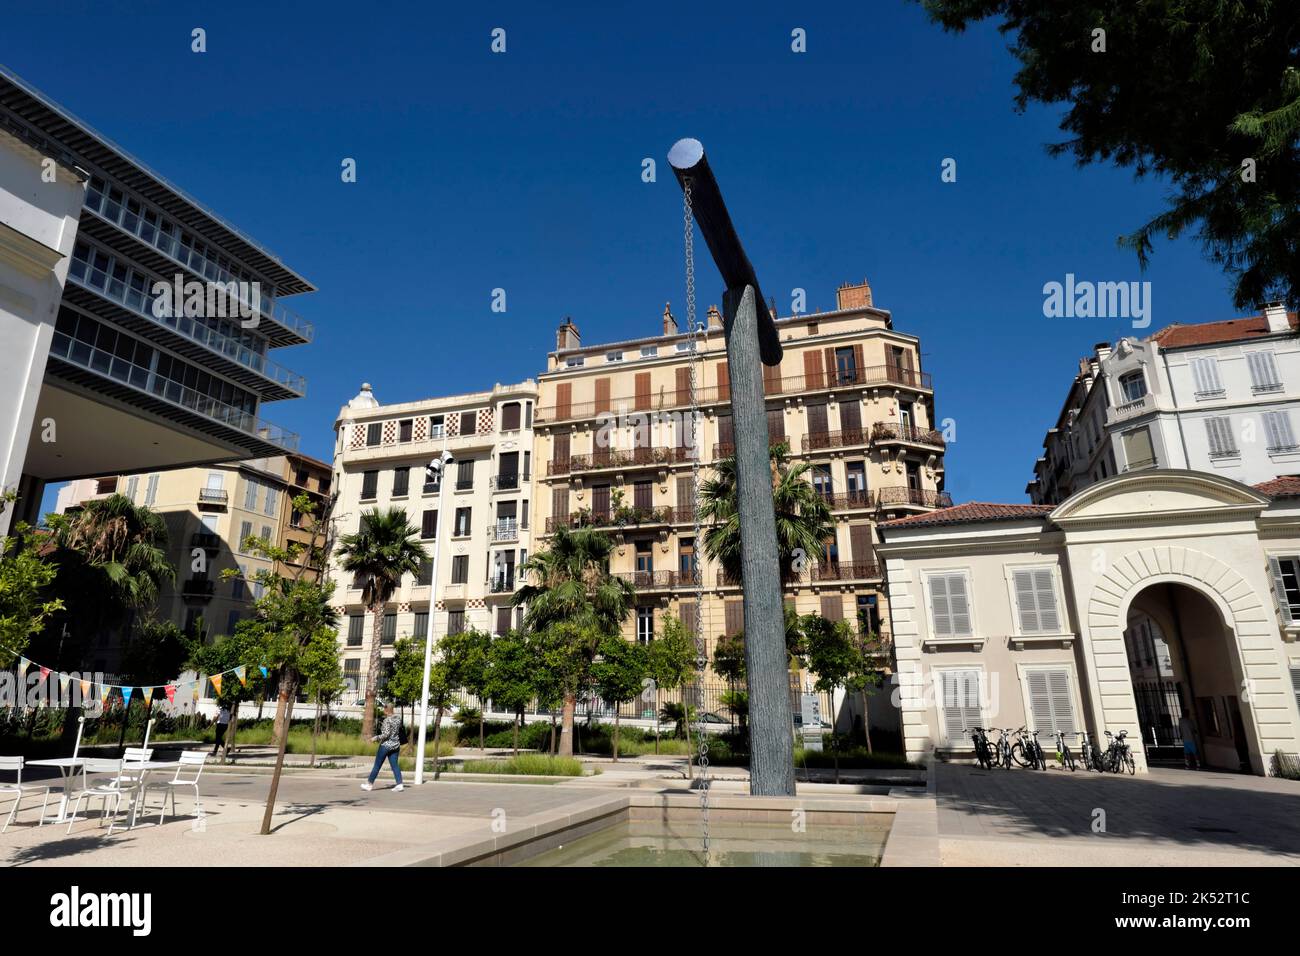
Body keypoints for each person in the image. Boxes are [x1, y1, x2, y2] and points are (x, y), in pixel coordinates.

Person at [362, 702, 404, 792]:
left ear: (386, 709)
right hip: (396, 745)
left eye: (384, 709)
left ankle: (369, 784)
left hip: (386, 746)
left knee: (377, 765)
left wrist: (375, 738)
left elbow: (386, 734)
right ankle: (399, 784)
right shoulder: (398, 719)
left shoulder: (387, 720)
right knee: (395, 765)